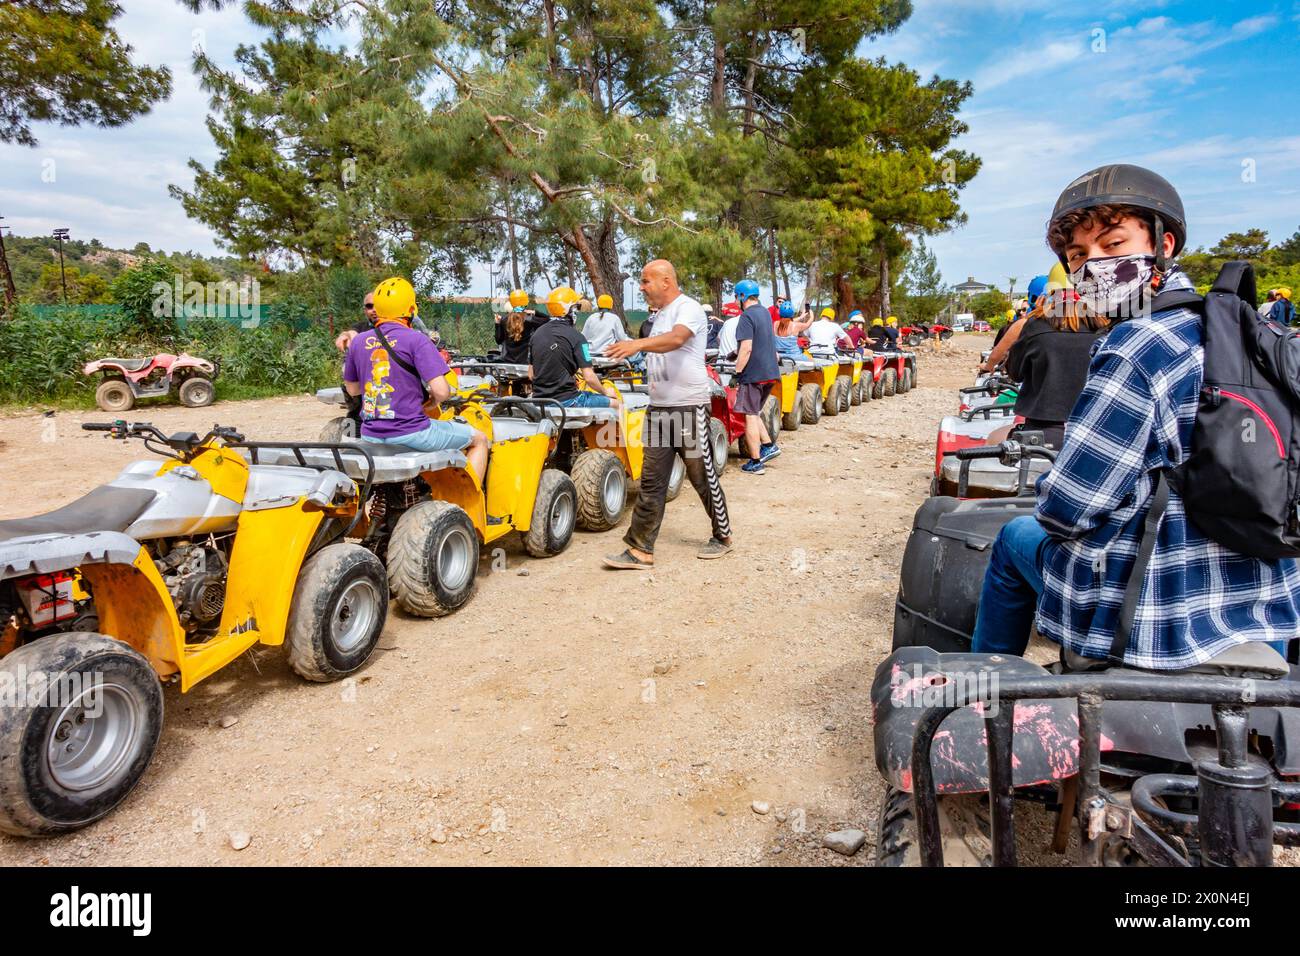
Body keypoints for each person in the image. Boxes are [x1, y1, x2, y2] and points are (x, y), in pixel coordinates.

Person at [970, 163, 1300, 669]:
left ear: (1164, 244)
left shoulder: (1136, 344)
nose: (1094, 264)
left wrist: (1052, 490)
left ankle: (985, 685)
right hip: (1264, 604)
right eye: (1079, 254)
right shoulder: (1250, 332)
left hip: (1155, 613)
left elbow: (1070, 507)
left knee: (1017, 536)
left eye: (1114, 244)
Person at [601, 259, 733, 567]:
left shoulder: (688, 308)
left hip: (688, 405)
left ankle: (723, 535)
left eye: (646, 281)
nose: (642, 287)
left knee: (702, 475)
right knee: (651, 480)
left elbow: (676, 339)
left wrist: (636, 345)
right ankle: (640, 549)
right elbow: (660, 344)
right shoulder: (658, 316)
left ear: (665, 282)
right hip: (659, 408)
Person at [344, 277, 489, 478]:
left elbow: (353, 390)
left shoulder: (359, 341)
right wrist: (432, 402)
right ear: (411, 309)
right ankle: (467, 507)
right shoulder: (417, 339)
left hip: (371, 434)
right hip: (412, 432)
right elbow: (442, 391)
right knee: (479, 439)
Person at [991, 273, 1106, 450]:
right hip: (1097, 432)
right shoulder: (1106, 326)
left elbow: (1015, 373)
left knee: (993, 438)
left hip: (1044, 433)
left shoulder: (1036, 324)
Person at [528, 287, 623, 409]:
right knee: (618, 404)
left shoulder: (536, 335)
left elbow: (531, 374)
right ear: (568, 309)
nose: (576, 311)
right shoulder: (578, 338)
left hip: (539, 401)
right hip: (567, 400)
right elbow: (589, 378)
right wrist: (605, 392)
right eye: (576, 307)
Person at [731, 279, 781, 475]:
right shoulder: (765, 314)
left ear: (742, 296)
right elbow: (761, 342)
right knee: (755, 411)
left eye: (736, 296)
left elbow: (747, 347)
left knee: (749, 416)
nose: (735, 300)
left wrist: (736, 373)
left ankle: (755, 462)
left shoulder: (746, 317)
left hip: (753, 374)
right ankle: (768, 446)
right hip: (770, 373)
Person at [980, 275, 1048, 374]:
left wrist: (988, 366)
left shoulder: (1024, 324)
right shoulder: (1071, 324)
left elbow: (998, 354)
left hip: (1034, 384)